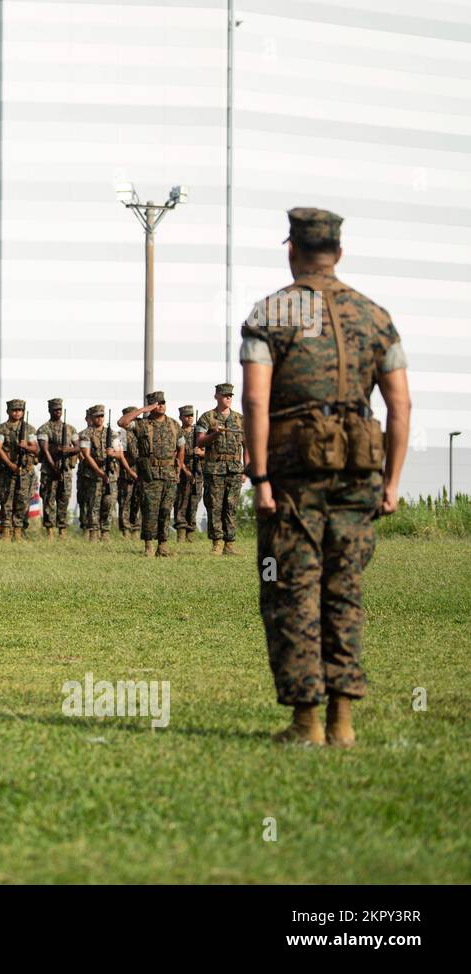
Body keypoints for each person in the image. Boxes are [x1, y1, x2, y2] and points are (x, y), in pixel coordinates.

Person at [242, 207, 410, 747]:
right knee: (345, 590)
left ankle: (305, 724)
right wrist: (392, 482)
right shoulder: (375, 316)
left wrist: (260, 478)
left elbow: (254, 399)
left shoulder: (271, 313)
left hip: (295, 476)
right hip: (359, 473)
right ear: (339, 252)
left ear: (291, 249)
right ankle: (343, 724)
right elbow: (400, 405)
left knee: (292, 589)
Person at [119, 391, 183, 557]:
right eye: (157, 403)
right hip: (150, 474)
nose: (161, 406)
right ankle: (148, 546)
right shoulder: (142, 424)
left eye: (163, 402)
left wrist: (179, 468)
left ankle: (163, 546)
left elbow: (181, 447)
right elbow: (122, 422)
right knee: (150, 510)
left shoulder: (174, 425)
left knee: (165, 510)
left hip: (169, 474)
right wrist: (143, 409)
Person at [197, 382, 246, 554]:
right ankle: (217, 542)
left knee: (231, 506)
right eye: (225, 395)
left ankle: (230, 544)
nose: (228, 398)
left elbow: (247, 445)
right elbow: (200, 441)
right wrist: (214, 434)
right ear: (216, 396)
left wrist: (246, 468)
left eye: (230, 395)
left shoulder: (240, 419)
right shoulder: (207, 417)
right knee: (214, 505)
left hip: (234, 468)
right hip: (214, 468)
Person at [0, 400, 38, 541]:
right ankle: (6, 531)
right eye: (14, 410)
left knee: (22, 501)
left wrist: (26, 446)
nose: (17, 412)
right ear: (8, 411)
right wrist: (10, 464)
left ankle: (18, 531)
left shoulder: (29, 429)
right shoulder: (1, 429)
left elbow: (36, 449)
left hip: (25, 471)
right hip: (7, 471)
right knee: (6, 500)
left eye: (19, 410)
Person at [37, 398, 78, 538]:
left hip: (65, 470)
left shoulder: (70, 429)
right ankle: (49, 530)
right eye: (55, 409)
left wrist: (68, 450)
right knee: (49, 500)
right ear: (49, 410)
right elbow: (45, 449)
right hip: (49, 471)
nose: (58, 412)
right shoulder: (44, 428)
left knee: (64, 499)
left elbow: (79, 447)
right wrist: (53, 467)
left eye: (59, 409)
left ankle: (62, 529)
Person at [76, 404, 118, 541]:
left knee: (108, 503)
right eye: (97, 416)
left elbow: (120, 454)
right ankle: (93, 533)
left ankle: (105, 532)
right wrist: (100, 473)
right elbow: (86, 456)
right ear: (92, 418)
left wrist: (114, 453)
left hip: (110, 474)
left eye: (102, 416)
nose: (100, 419)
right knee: (93, 504)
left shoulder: (112, 433)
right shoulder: (85, 434)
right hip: (93, 475)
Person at [174, 405, 202, 542]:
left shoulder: (199, 432)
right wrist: (185, 471)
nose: (189, 418)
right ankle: (180, 533)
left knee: (194, 502)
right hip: (182, 470)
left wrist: (200, 452)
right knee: (181, 502)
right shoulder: (177, 432)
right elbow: (175, 454)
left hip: (198, 471)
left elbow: (209, 451)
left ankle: (190, 533)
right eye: (186, 416)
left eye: (191, 415)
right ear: (180, 417)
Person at [117, 406, 142, 536]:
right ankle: (126, 531)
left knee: (138, 501)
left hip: (141, 472)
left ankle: (136, 529)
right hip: (127, 473)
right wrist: (130, 471)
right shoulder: (122, 434)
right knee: (125, 501)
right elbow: (121, 456)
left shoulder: (140, 431)